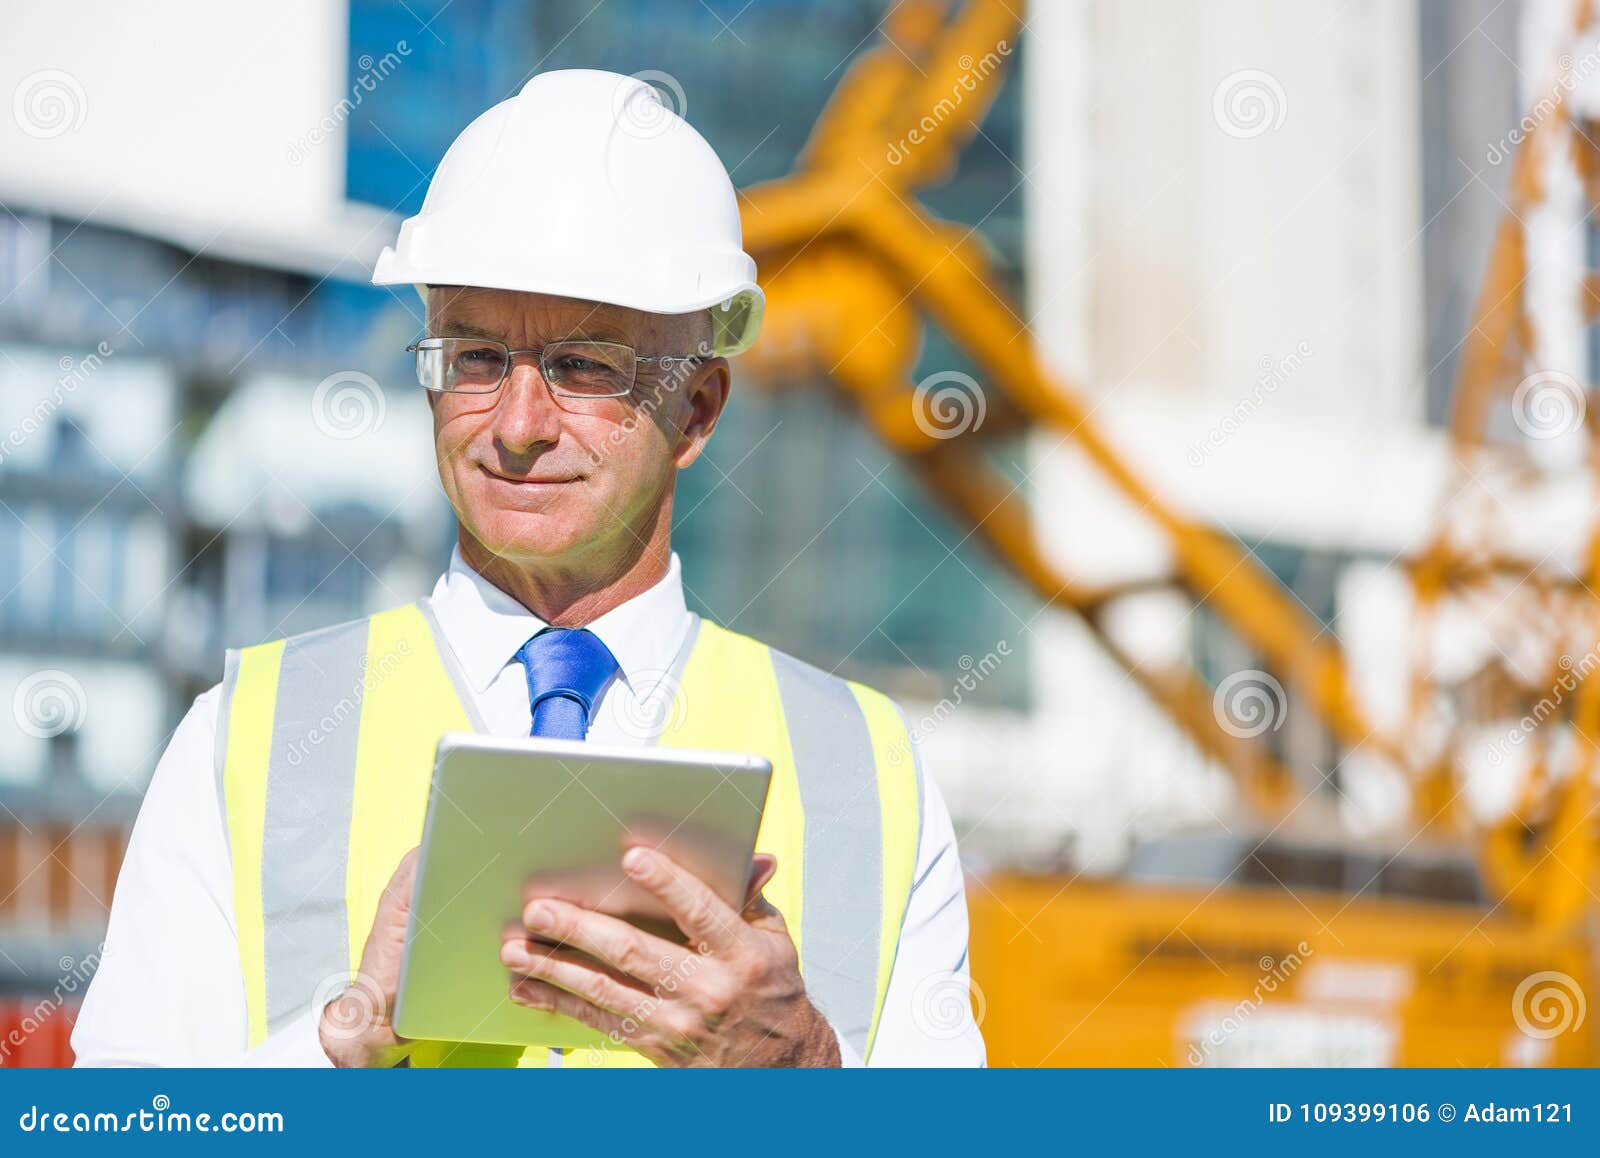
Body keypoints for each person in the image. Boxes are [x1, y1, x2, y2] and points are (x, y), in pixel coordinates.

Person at [73, 69, 984, 1068]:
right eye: (473, 359)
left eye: (585, 366)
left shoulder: (866, 768)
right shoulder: (245, 737)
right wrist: (336, 1055)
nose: (515, 426)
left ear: (698, 409)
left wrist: (805, 1071)